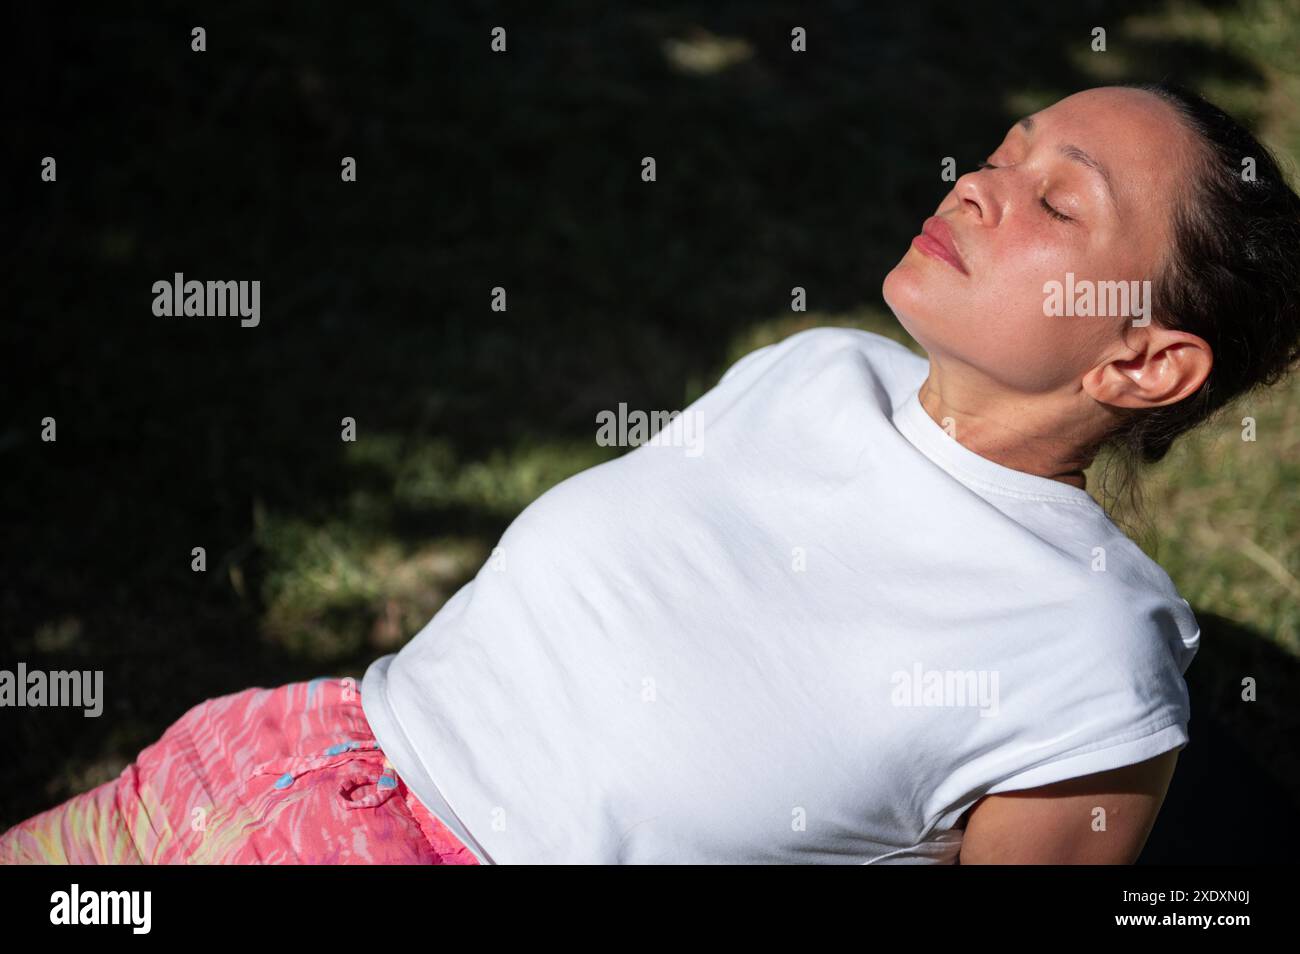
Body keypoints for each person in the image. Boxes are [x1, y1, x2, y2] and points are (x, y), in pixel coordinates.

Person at [4, 81, 1297, 865]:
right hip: (279, 748)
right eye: (1005, 152)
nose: (978, 185)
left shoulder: (1088, 651)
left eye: (1056, 203)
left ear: (1145, 362)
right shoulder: (815, 371)